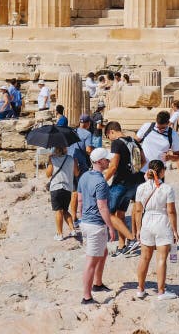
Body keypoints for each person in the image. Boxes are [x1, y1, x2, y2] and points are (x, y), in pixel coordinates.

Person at [134, 159, 179, 300]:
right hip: (162, 222)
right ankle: (161, 291)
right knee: (161, 259)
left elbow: (137, 210)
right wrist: (175, 230)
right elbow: (171, 211)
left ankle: (140, 289)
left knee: (144, 258)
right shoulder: (167, 188)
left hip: (147, 221)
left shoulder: (141, 188)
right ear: (162, 172)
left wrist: (138, 229)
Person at [77, 147, 117, 305]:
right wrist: (111, 227)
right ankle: (86, 297)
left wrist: (81, 218)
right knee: (91, 261)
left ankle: (98, 283)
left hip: (86, 223)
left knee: (103, 252)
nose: (109, 161)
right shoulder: (101, 182)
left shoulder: (84, 176)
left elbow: (80, 200)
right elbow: (102, 207)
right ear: (100, 162)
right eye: (107, 159)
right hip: (96, 225)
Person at [103, 121, 143, 254]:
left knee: (108, 213)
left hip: (121, 182)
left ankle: (132, 239)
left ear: (111, 132)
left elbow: (113, 166)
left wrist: (102, 181)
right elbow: (144, 160)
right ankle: (122, 246)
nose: (110, 140)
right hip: (135, 182)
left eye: (108, 137)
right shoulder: (134, 141)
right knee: (120, 214)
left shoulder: (117, 143)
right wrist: (133, 170)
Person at [46, 144, 76, 240]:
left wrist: (49, 161)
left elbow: (48, 174)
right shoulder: (71, 159)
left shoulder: (53, 159)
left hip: (56, 187)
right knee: (65, 210)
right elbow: (76, 173)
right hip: (67, 188)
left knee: (58, 211)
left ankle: (59, 234)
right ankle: (72, 230)